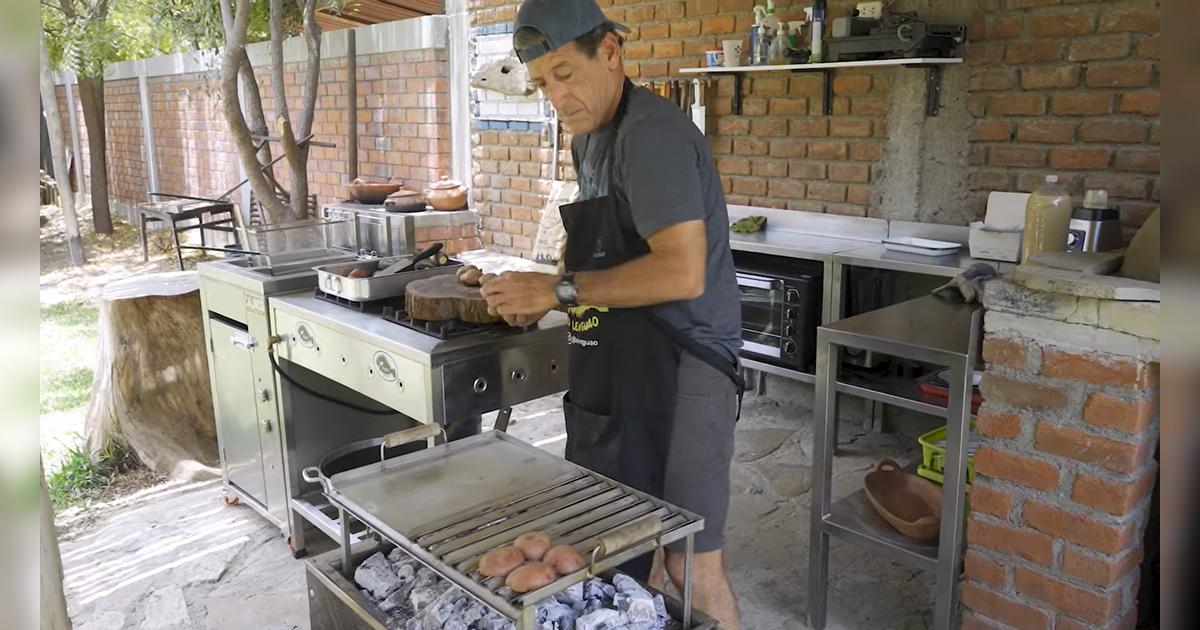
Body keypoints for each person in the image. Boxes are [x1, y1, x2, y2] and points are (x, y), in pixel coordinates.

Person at [480, 0, 744, 627]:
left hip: (689, 364)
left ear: (610, 52)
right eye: (543, 82)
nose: (557, 96)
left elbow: (679, 271)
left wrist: (559, 294)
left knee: (691, 566)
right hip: (624, 356)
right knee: (631, 547)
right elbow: (595, 243)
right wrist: (544, 285)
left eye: (566, 73)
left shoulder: (650, 136)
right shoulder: (591, 137)